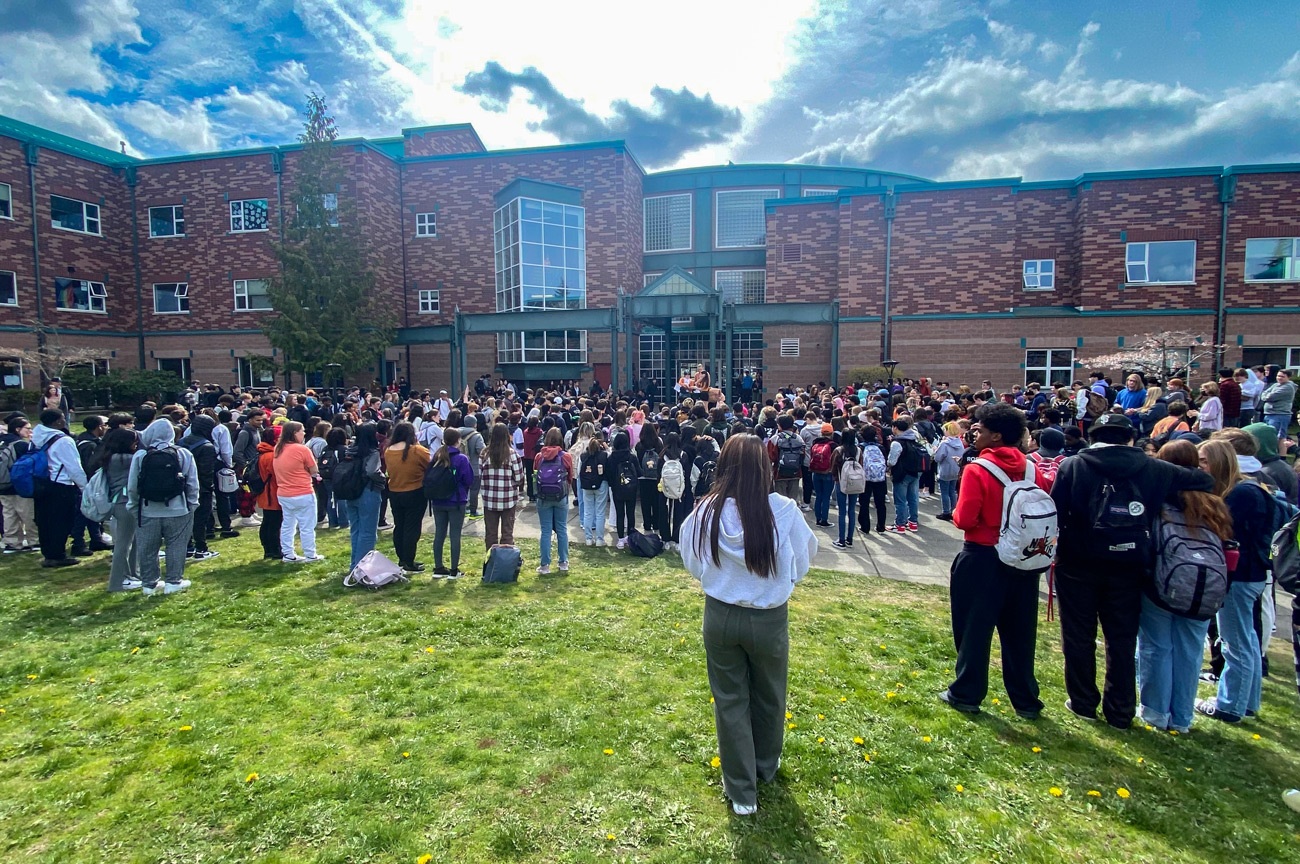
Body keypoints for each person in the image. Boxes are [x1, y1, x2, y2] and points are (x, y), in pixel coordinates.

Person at [680, 434, 817, 816]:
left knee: (730, 700)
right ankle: (763, 768)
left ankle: (742, 789)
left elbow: (690, 555)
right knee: (770, 694)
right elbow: (803, 561)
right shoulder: (784, 509)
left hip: (721, 614)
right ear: (765, 467)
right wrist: (780, 583)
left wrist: (719, 580)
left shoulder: (707, 510)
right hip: (769, 616)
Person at [1050, 413, 1213, 728]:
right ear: (1130, 439)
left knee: (1078, 635)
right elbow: (1204, 480)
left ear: (1095, 437)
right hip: (1129, 563)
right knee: (1122, 638)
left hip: (1079, 562)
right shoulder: (1153, 468)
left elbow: (1056, 509)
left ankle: (1083, 702)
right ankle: (1120, 709)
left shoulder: (1073, 466)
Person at [941, 403, 1050, 718]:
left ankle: (967, 692)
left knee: (974, 628)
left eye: (981, 429)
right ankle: (1026, 699)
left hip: (983, 556)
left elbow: (964, 518)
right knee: (1020, 632)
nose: (975, 432)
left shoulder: (978, 469)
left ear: (997, 435)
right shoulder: (1032, 468)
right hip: (1024, 558)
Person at [1137, 439, 1233, 733]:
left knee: (1157, 646)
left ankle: (1155, 712)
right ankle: (1182, 717)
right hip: (1205, 586)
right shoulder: (1214, 502)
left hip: (1162, 583)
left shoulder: (1160, 500)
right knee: (1190, 652)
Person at [1195, 439, 1272, 724]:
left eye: (1204, 460)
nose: (1200, 466)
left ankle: (1230, 705)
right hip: (1251, 575)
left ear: (1219, 462)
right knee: (1246, 640)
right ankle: (1247, 701)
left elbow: (1226, 534)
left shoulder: (1240, 494)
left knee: (1234, 642)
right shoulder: (1248, 489)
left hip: (1240, 576)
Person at [127, 418, 199, 595]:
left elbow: (132, 485)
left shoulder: (141, 456)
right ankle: (173, 582)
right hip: (178, 509)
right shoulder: (183, 454)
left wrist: (134, 506)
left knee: (147, 548)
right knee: (176, 545)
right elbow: (192, 483)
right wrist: (192, 504)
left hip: (147, 509)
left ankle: (149, 584)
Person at [31, 409, 88, 568]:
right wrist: (85, 488)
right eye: (62, 417)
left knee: (45, 521)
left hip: (42, 484)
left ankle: (48, 554)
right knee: (62, 521)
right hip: (62, 485)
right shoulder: (64, 440)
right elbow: (74, 467)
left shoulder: (36, 437)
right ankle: (58, 555)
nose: (64, 420)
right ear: (57, 421)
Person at [273, 421, 325, 564]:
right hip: (302, 492)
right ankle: (310, 554)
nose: (304, 433)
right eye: (302, 431)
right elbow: (314, 470)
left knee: (288, 524)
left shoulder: (278, 448)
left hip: (283, 493)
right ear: (294, 433)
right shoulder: (301, 449)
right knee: (307, 526)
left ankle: (288, 554)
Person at [383, 421, 430, 574]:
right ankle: (409, 561)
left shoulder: (389, 450)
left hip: (395, 491)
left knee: (399, 526)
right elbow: (429, 466)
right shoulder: (418, 450)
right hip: (415, 491)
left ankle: (402, 558)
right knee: (412, 527)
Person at [97, 427, 140, 591]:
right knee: (123, 544)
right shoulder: (128, 459)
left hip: (119, 502)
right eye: (134, 441)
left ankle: (132, 575)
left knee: (132, 541)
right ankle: (117, 582)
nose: (136, 444)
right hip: (125, 503)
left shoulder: (110, 457)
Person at [428, 427, 474, 579]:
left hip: (437, 500)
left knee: (439, 534)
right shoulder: (461, 459)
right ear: (458, 440)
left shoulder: (437, 456)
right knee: (455, 535)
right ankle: (454, 570)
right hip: (456, 500)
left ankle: (438, 567)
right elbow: (468, 480)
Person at [343, 423, 386, 571]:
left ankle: (354, 564)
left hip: (351, 491)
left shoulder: (350, 450)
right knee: (368, 532)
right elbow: (371, 471)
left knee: (356, 530)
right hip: (368, 491)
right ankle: (363, 569)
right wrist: (383, 478)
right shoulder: (372, 452)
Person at [178, 415, 220, 561]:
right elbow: (206, 471)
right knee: (201, 519)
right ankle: (201, 548)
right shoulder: (207, 446)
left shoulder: (181, 442)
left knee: (186, 518)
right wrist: (209, 488)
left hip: (182, 486)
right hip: (201, 487)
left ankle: (188, 547)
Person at [533, 427, 572, 572]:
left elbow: (535, 475)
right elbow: (569, 477)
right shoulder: (565, 456)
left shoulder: (539, 456)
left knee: (545, 531)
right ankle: (563, 562)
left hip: (543, 497)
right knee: (562, 529)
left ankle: (545, 565)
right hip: (560, 496)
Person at [479, 423, 524, 549]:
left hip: (489, 499)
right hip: (508, 498)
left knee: (491, 534)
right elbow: (519, 478)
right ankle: (506, 562)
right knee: (507, 533)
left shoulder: (484, 453)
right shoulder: (512, 454)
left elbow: (479, 474)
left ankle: (490, 562)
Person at [0, 416, 36, 553]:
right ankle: (35, 540)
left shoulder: (2, 441)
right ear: (17, 429)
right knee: (28, 514)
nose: (30, 431)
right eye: (27, 428)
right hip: (18, 486)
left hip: (2, 486)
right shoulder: (20, 444)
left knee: (9, 515)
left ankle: (12, 542)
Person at [887, 417, 924, 533]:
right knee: (913, 498)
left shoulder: (897, 443)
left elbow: (891, 461)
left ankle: (899, 525)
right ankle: (913, 523)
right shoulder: (915, 438)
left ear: (896, 428)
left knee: (900, 500)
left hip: (901, 474)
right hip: (915, 472)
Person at [829, 429, 862, 549]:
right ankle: (850, 539)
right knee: (852, 511)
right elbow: (861, 465)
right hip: (855, 481)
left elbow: (832, 467)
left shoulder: (839, 450)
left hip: (841, 482)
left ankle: (841, 539)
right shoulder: (858, 450)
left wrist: (836, 477)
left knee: (842, 512)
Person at [607, 430, 640, 548]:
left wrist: (612, 485)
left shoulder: (612, 458)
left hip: (617, 489)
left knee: (619, 514)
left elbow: (608, 474)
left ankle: (620, 539)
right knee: (631, 513)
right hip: (631, 489)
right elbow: (639, 472)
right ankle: (631, 537)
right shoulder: (632, 457)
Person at [254, 427, 282, 559]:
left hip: (266, 493)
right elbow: (277, 475)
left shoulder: (263, 452)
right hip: (272, 494)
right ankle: (274, 550)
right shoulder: (271, 456)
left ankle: (268, 550)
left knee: (268, 521)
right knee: (274, 523)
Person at [856, 425, 890, 535]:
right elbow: (885, 461)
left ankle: (865, 526)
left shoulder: (861, 448)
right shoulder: (880, 447)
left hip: (865, 479)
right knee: (880, 503)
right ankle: (881, 526)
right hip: (880, 478)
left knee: (864, 503)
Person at [635, 423, 667, 538]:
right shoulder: (659, 443)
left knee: (645, 502)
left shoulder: (639, 445)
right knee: (656, 502)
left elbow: (637, 460)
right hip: (656, 477)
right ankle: (656, 524)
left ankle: (647, 524)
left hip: (643, 478)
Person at [578, 434, 609, 549]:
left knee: (588, 512)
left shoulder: (583, 456)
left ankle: (588, 538)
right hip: (601, 484)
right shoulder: (604, 455)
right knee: (600, 512)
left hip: (586, 486)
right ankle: (600, 539)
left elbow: (578, 472)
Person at [766, 415, 804, 502]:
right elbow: (803, 454)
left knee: (780, 500)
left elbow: (770, 457)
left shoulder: (775, 439)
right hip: (796, 473)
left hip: (779, 473)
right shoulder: (798, 438)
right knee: (793, 500)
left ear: (779, 425)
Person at [933, 421, 965, 522]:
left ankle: (946, 512)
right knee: (952, 492)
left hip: (945, 470)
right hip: (956, 470)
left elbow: (938, 458)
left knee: (944, 492)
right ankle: (954, 511)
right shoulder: (960, 442)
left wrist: (935, 450)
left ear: (948, 431)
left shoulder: (944, 443)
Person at [808, 423, 836, 527]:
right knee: (826, 497)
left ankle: (817, 519)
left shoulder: (815, 443)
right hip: (828, 473)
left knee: (818, 496)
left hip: (815, 472)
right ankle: (824, 519)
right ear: (831, 433)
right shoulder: (833, 445)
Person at [1261, 369, 1296, 442]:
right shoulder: (1276, 385)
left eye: (1282, 376)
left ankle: (1281, 453)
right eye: (1278, 376)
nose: (1279, 378)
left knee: (1279, 437)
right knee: (1269, 435)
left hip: (1280, 415)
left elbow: (1270, 397)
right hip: (1269, 414)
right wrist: (1265, 396)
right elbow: (1263, 394)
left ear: (1288, 378)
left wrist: (1266, 397)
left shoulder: (1288, 387)